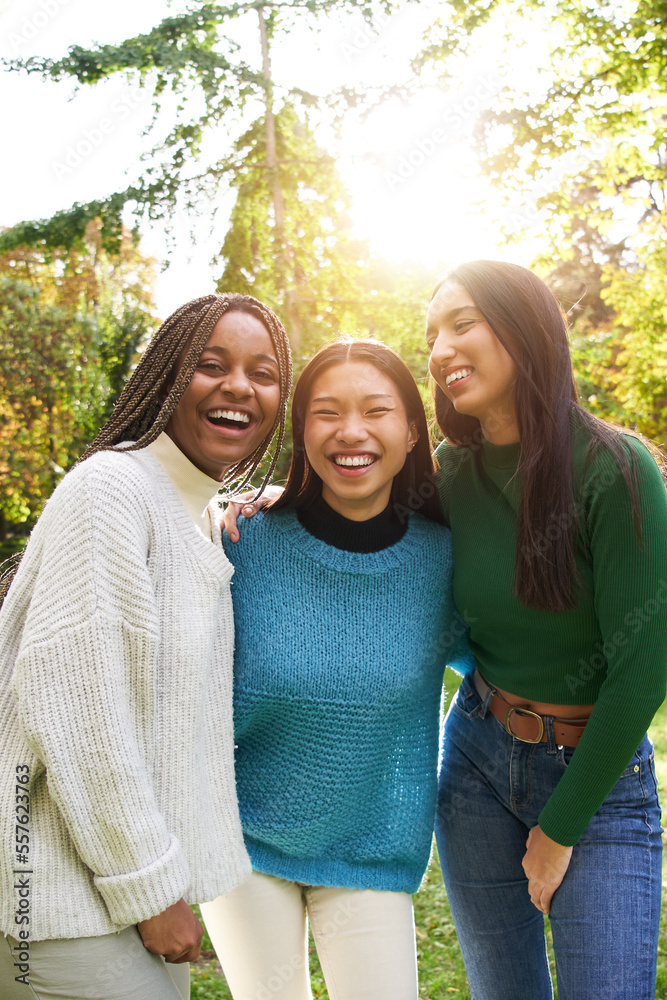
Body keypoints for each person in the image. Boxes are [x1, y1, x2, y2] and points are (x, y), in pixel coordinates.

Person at [0, 292, 292, 1000]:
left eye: (262, 372)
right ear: (166, 377)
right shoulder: (112, 491)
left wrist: (288, 503)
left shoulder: (185, 508)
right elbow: (80, 714)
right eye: (210, 364)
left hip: (114, 903)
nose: (237, 386)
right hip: (65, 907)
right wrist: (150, 889)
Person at [203, 338, 471, 1000]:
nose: (350, 432)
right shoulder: (241, 540)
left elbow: (509, 660)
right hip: (243, 844)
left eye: (376, 410)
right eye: (325, 412)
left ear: (412, 430)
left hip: (370, 852)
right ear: (300, 432)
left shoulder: (447, 561)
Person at [427, 260, 667, 1000]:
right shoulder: (447, 471)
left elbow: (644, 666)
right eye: (430, 333)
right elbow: (368, 532)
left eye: (460, 323)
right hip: (474, 760)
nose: (438, 350)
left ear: (526, 331)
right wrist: (275, 501)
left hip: (596, 779)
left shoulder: (615, 468)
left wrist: (558, 829)